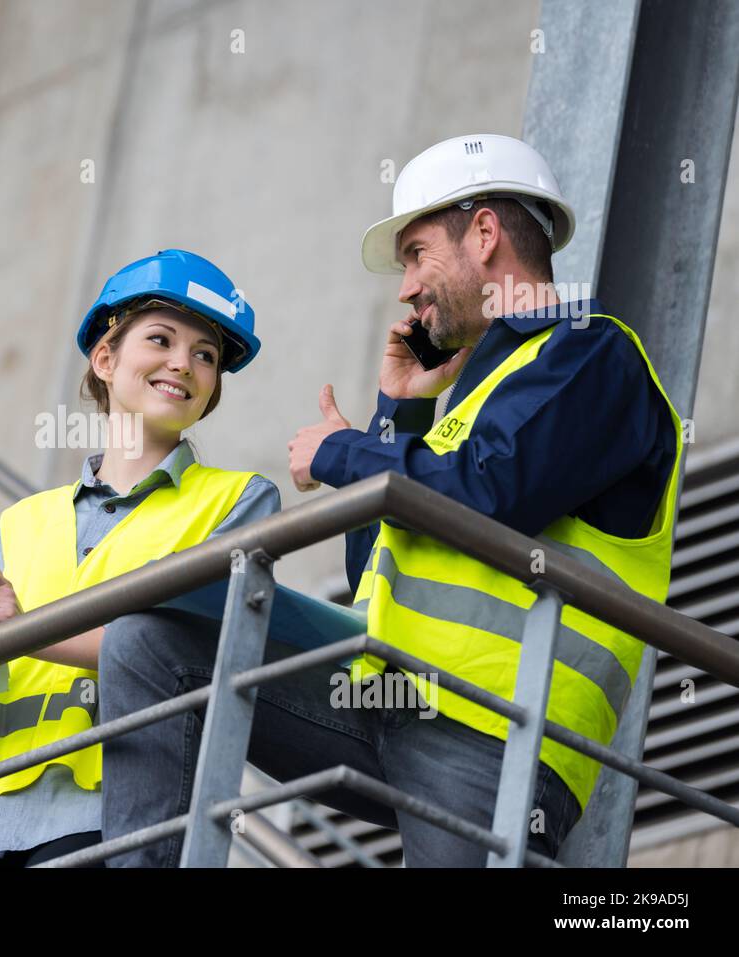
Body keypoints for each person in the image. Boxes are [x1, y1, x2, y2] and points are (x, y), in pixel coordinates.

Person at [100, 134, 682, 866]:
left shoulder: (592, 355)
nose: (405, 287)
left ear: (485, 232)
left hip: (496, 732)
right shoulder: (466, 407)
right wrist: (399, 409)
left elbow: (489, 492)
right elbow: (375, 563)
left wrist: (345, 453)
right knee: (149, 645)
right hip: (384, 700)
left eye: (415, 254)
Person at [0, 249, 281, 866]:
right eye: (161, 339)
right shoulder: (21, 519)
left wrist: (22, 629)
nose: (183, 364)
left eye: (206, 355)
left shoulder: (239, 500)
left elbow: (195, 651)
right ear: (105, 359)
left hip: (108, 817)